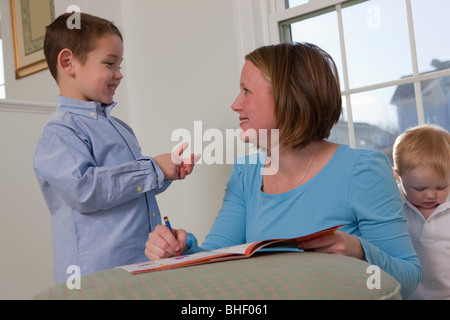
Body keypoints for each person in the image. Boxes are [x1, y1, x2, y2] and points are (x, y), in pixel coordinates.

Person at [144, 42, 421, 299]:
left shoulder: (363, 169)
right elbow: (218, 259)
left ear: (290, 96)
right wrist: (181, 249)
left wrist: (360, 253)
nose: (235, 104)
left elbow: (407, 280)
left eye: (246, 91)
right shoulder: (245, 172)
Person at [33, 13, 198, 284]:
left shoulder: (120, 128)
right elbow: (85, 191)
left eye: (120, 65)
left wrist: (166, 173)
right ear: (68, 62)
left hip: (138, 266)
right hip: (94, 277)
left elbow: (127, 189)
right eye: (110, 63)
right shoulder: (59, 131)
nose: (119, 74)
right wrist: (153, 169)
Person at [393, 124, 450, 299]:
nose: (431, 195)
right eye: (419, 188)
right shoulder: (392, 205)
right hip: (408, 295)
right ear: (398, 176)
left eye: (442, 186)